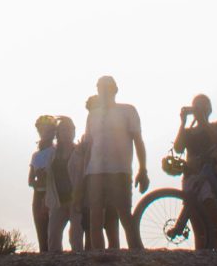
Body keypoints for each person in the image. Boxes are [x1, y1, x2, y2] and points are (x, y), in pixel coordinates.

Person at [82, 75, 148, 250]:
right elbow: (88, 145)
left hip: (119, 170)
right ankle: (99, 257)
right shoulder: (92, 116)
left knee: (124, 214)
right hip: (94, 171)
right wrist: (84, 173)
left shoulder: (127, 110)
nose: (103, 91)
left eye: (107, 87)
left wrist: (143, 169)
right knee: (95, 216)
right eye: (100, 87)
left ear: (115, 90)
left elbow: (138, 140)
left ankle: (136, 253)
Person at [172, 93, 217, 250]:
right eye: (197, 106)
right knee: (196, 219)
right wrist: (182, 123)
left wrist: (204, 122)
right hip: (191, 177)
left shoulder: (216, 126)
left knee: (214, 219)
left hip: (211, 177)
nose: (199, 109)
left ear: (209, 109)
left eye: (203, 106)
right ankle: (201, 256)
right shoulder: (189, 131)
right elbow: (178, 148)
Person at [55, 114, 87, 251]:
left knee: (76, 237)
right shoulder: (52, 154)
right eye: (63, 129)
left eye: (69, 129)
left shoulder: (80, 151)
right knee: (53, 236)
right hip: (57, 201)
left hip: (76, 200)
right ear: (58, 133)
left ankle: (78, 263)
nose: (67, 132)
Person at [28, 116, 59, 252]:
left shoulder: (56, 152)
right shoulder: (36, 155)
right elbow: (30, 181)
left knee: (52, 234)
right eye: (42, 130)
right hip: (38, 194)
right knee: (42, 234)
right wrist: (38, 180)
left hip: (52, 193)